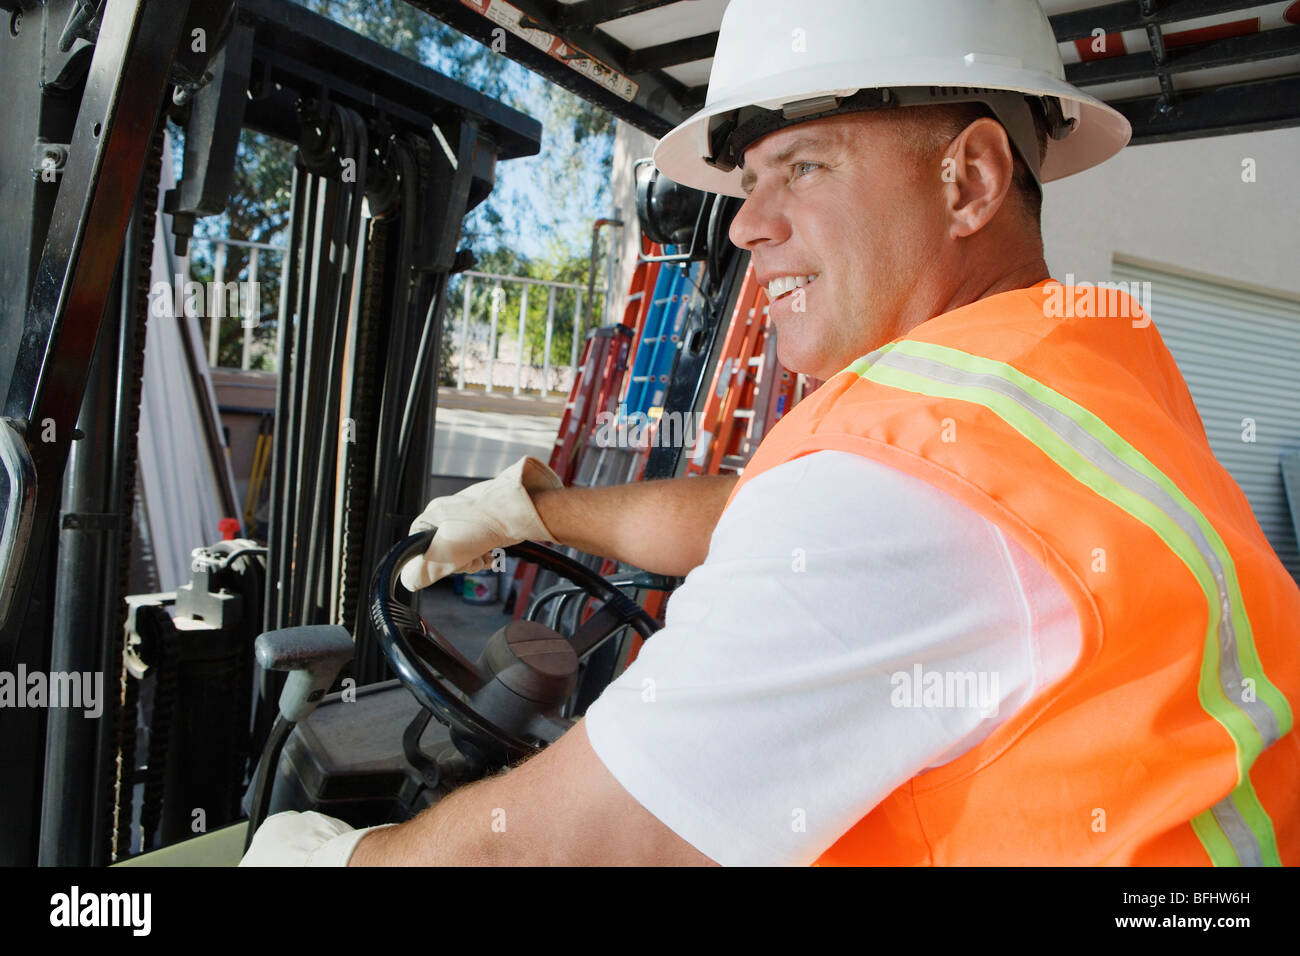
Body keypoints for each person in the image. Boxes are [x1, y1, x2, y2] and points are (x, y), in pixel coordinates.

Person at [243, 0, 1300, 866]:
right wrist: (535, 506)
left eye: (804, 166)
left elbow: (557, 848)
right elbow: (753, 514)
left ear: (969, 181)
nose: (748, 224)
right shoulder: (1066, 375)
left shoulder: (903, 494)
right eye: (749, 182)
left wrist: (343, 860)